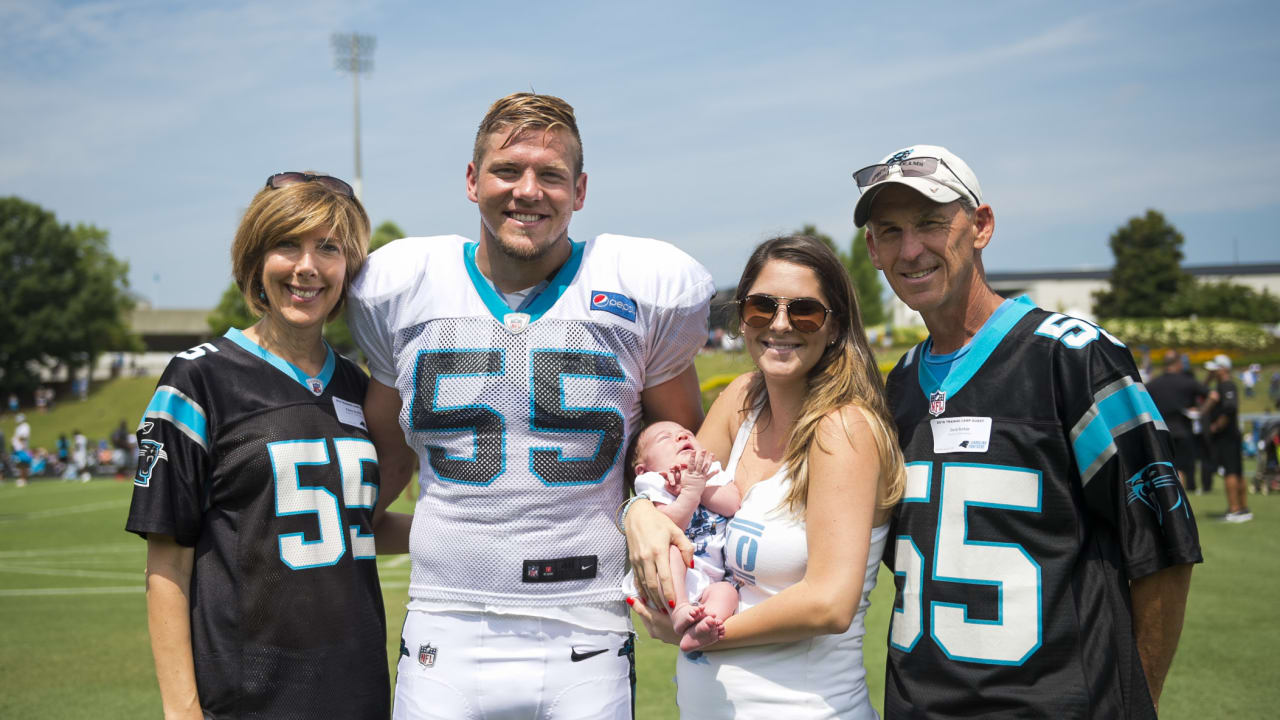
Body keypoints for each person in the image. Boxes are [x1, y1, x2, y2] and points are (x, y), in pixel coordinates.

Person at [346, 92, 714, 720]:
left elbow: (681, 441)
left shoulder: (638, 284)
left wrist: (649, 508)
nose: (527, 190)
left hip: (587, 625)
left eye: (550, 174)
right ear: (472, 180)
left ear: (580, 188)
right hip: (446, 617)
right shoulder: (401, 288)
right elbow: (385, 464)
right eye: (507, 170)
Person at [854, 144, 1202, 717]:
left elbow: (1161, 546)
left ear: (981, 226)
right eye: (889, 231)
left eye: (931, 223)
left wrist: (1135, 703)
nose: (911, 249)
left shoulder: (1077, 358)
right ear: (872, 249)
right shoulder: (900, 385)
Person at [124, 171, 389, 719]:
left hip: (359, 688)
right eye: (286, 244)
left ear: (349, 268)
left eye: (328, 248)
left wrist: (474, 531)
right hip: (250, 696)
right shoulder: (198, 381)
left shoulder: (357, 386)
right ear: (255, 260)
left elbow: (350, 525)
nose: (307, 266)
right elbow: (167, 562)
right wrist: (182, 710)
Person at [629, 235, 906, 719]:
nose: (779, 324)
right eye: (761, 308)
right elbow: (668, 489)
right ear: (742, 318)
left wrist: (695, 633)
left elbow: (829, 605)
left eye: (804, 311)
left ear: (834, 325)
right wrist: (637, 513)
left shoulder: (844, 430)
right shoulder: (742, 399)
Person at [625, 421, 740, 651]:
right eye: (665, 438)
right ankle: (679, 611)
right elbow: (667, 526)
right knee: (673, 550)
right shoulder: (655, 481)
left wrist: (699, 484)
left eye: (686, 433)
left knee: (727, 593)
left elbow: (733, 505)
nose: (682, 437)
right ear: (643, 468)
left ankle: (703, 627)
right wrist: (689, 494)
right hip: (670, 577)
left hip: (712, 580)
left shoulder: (712, 471)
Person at [1147, 349, 1209, 491]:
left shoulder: (1153, 384)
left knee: (1166, 468)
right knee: (1181, 469)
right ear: (1178, 363)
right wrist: (1201, 411)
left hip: (1161, 431)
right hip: (1183, 431)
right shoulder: (1187, 382)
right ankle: (1178, 498)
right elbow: (1212, 395)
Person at [1203, 354, 1250, 522]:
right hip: (1231, 436)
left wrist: (1217, 426)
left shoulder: (1226, 385)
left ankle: (1235, 509)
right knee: (1237, 471)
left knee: (1231, 471)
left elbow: (1229, 408)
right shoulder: (1222, 386)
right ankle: (1242, 508)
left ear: (1223, 368)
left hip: (1227, 436)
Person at [12, 413, 32, 487]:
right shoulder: (19, 427)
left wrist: (20, 441)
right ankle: (23, 479)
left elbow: (24, 436)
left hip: (22, 448)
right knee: (20, 464)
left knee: (23, 464)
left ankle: (24, 479)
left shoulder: (25, 426)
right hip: (18, 448)